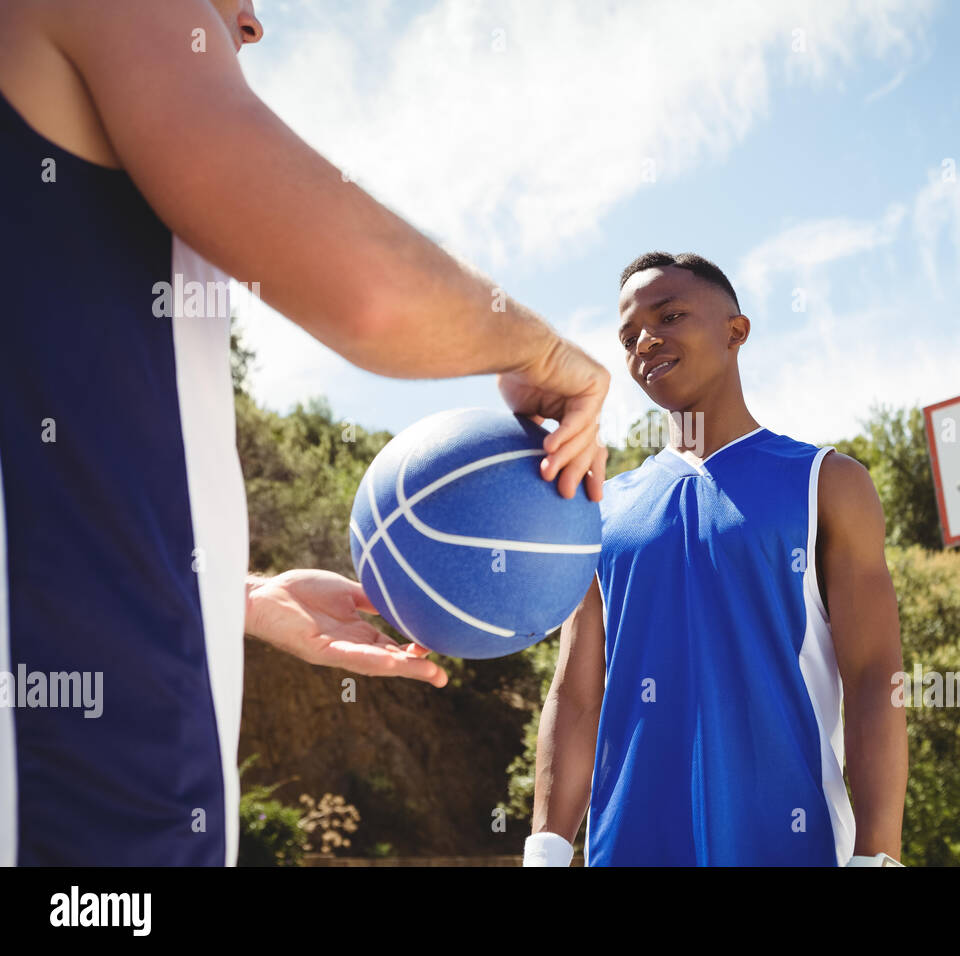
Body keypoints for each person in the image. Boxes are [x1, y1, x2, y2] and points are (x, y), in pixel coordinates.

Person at [0, 0, 608, 865]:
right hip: (75, 769)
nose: (251, 22)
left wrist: (239, 597)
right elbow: (372, 296)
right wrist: (543, 350)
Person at [526, 252, 906, 866]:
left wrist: (878, 855)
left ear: (737, 331)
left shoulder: (825, 483)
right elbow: (576, 695)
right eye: (628, 336)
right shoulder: (601, 510)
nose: (646, 341)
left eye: (670, 316)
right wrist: (545, 849)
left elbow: (873, 681)